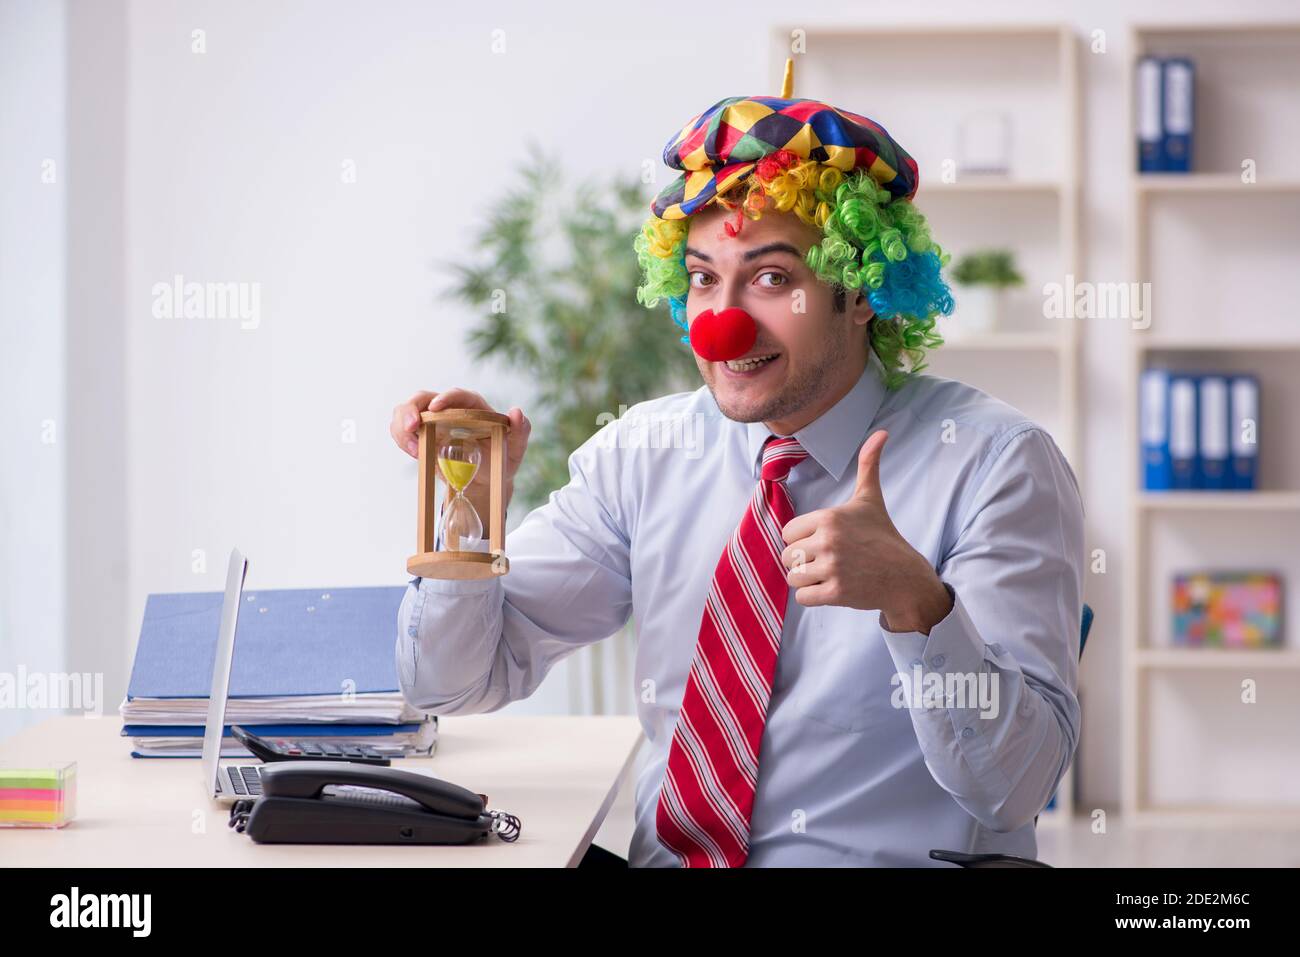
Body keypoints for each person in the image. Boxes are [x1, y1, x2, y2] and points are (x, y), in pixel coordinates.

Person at [389, 71, 1085, 868]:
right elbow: (453, 686)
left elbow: (1015, 787)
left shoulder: (997, 463)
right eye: (702, 278)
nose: (720, 324)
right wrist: (467, 520)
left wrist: (918, 605)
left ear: (859, 290)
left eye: (771, 277)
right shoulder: (641, 455)